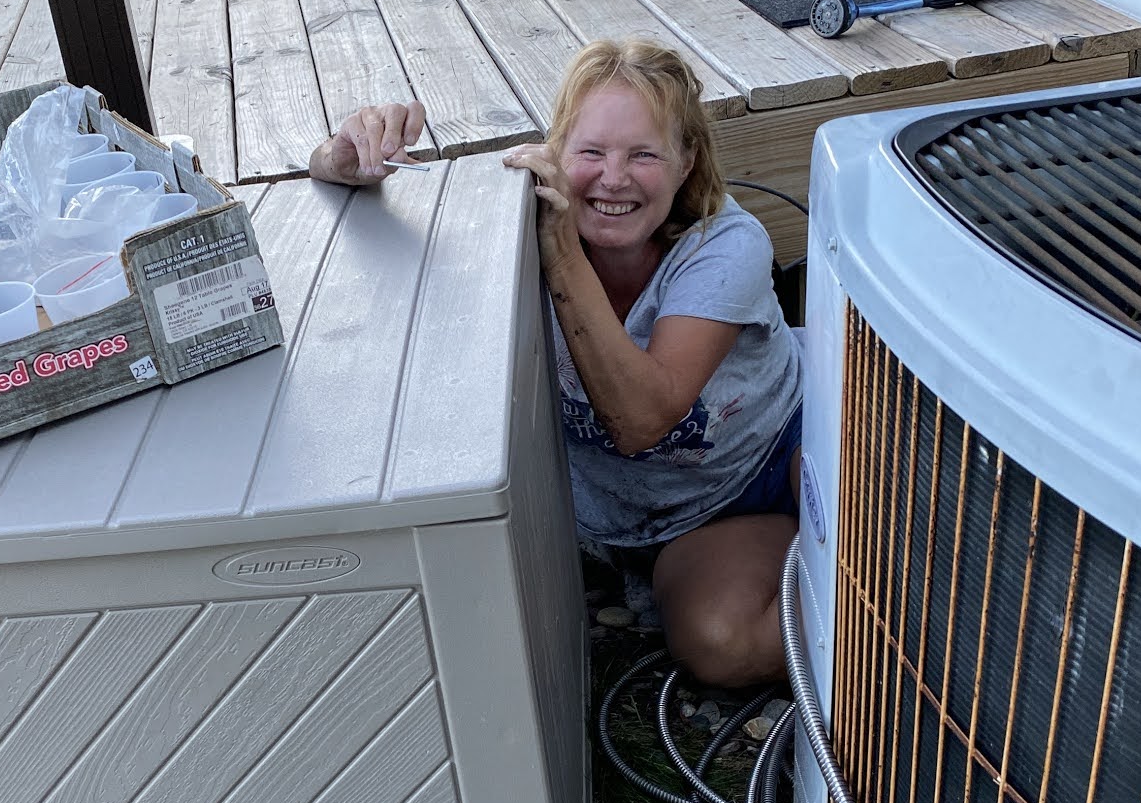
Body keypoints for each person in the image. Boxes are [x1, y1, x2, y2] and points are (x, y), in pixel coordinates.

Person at [309, 39, 802, 686]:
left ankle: (875, 604)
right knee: (720, 642)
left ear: (687, 163)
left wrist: (561, 252)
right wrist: (341, 158)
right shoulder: (518, 213)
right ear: (556, 152)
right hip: (672, 517)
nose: (614, 178)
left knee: (885, 533)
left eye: (644, 154)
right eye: (591, 152)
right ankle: (820, 572)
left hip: (782, 445)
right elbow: (369, 191)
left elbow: (641, 419)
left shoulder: (727, 243)